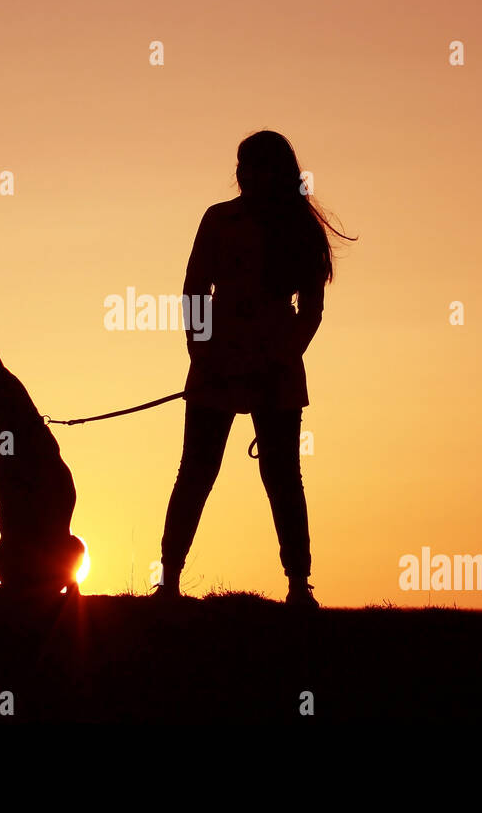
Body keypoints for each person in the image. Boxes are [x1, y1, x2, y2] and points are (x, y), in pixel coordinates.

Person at [156, 130, 354, 608]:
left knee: (282, 476)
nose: (244, 174)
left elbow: (311, 309)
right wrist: (200, 352)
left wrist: (280, 357)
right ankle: (169, 580)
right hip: (216, 361)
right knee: (197, 472)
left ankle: (297, 585)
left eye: (254, 165)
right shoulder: (219, 220)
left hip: (275, 368)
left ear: (275, 171)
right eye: (242, 165)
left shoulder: (300, 229)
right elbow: (194, 290)